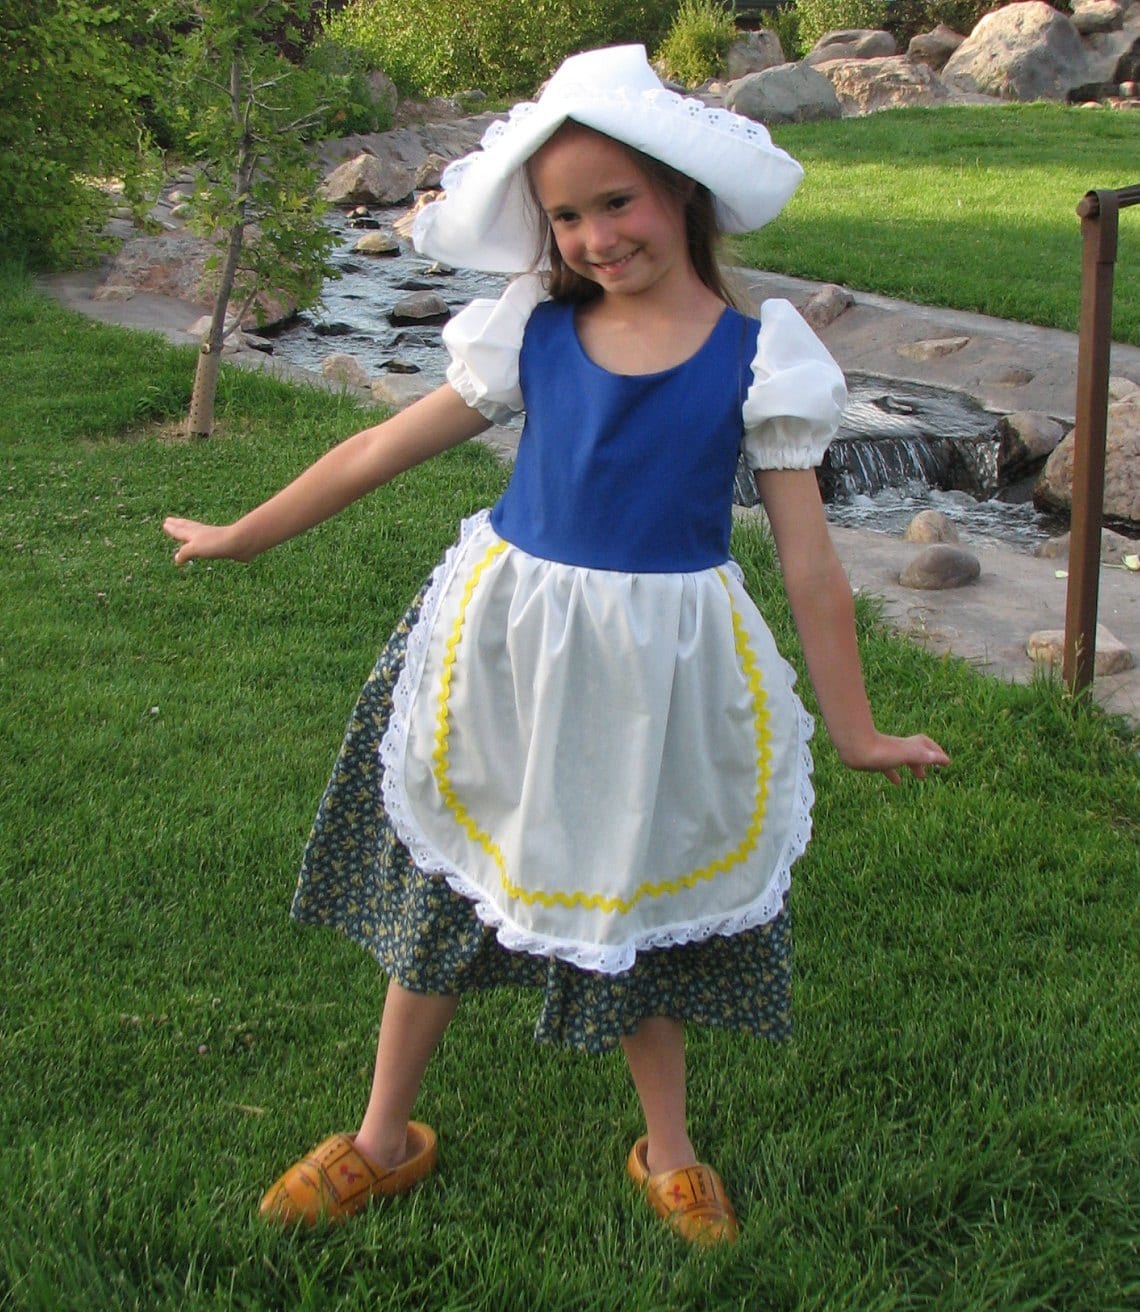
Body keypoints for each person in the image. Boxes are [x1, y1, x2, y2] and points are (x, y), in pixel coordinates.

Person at [163, 44, 949, 1246]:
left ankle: (670, 1150)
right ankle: (381, 1136)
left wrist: (856, 729)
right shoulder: (530, 332)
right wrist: (246, 533)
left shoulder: (762, 356)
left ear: (681, 192)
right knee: (444, 885)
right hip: (506, 655)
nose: (593, 236)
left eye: (615, 202)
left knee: (632, 892)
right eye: (566, 215)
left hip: (657, 676)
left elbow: (810, 565)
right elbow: (376, 451)